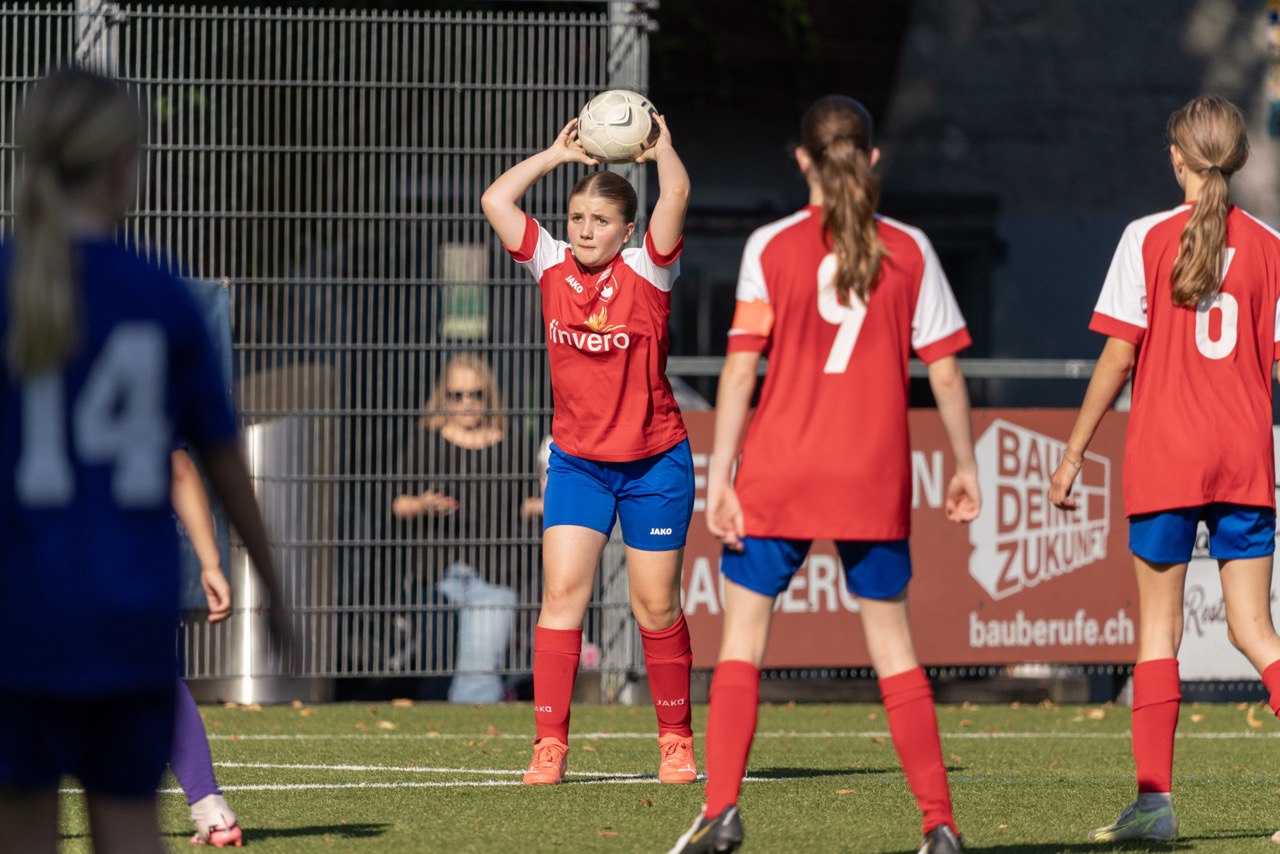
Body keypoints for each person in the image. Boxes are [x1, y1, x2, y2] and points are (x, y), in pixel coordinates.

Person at [669, 95, 979, 854]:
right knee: (895, 651)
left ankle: (720, 814)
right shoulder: (908, 246)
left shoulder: (772, 245)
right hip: (871, 475)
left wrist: (722, 477)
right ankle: (938, 824)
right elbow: (943, 374)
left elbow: (740, 373)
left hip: (782, 469)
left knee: (742, 639)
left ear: (801, 159)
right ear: (872, 158)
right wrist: (967, 465)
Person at [0, 67, 290, 853]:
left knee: (23, 820)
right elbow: (206, 461)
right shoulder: (159, 295)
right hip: (127, 606)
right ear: (126, 163)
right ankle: (208, 807)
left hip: (22, 603)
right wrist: (266, 583)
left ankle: (211, 806)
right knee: (125, 819)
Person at [1050, 94, 1280, 844]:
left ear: (1176, 157)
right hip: (1245, 455)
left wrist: (1074, 452)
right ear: (1238, 159)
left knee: (1158, 631)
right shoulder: (1272, 245)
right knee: (1256, 630)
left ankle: (1155, 808)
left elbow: (1118, 356)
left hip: (1167, 454)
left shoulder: (1145, 237)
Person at [480, 113, 697, 785]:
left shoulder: (649, 271)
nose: (583, 229)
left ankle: (676, 739)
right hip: (578, 463)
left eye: (599, 220)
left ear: (627, 230)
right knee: (562, 595)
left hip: (655, 461)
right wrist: (552, 154)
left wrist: (663, 150)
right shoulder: (550, 263)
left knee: (654, 607)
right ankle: (550, 744)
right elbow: (494, 201)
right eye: (576, 217)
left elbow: (678, 196)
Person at [393, 354, 526, 704]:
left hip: (495, 572)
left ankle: (477, 750)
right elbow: (396, 504)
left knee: (478, 678)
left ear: (488, 395)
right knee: (436, 674)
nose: (467, 403)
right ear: (444, 396)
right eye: (457, 395)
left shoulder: (511, 443)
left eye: (475, 394)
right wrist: (424, 504)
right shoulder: (426, 441)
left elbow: (527, 501)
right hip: (435, 573)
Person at [170, 447, 242, 847]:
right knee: (156, 679)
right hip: (135, 558)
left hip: (45, 552)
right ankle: (210, 809)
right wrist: (211, 563)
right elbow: (179, 468)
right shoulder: (148, 383)